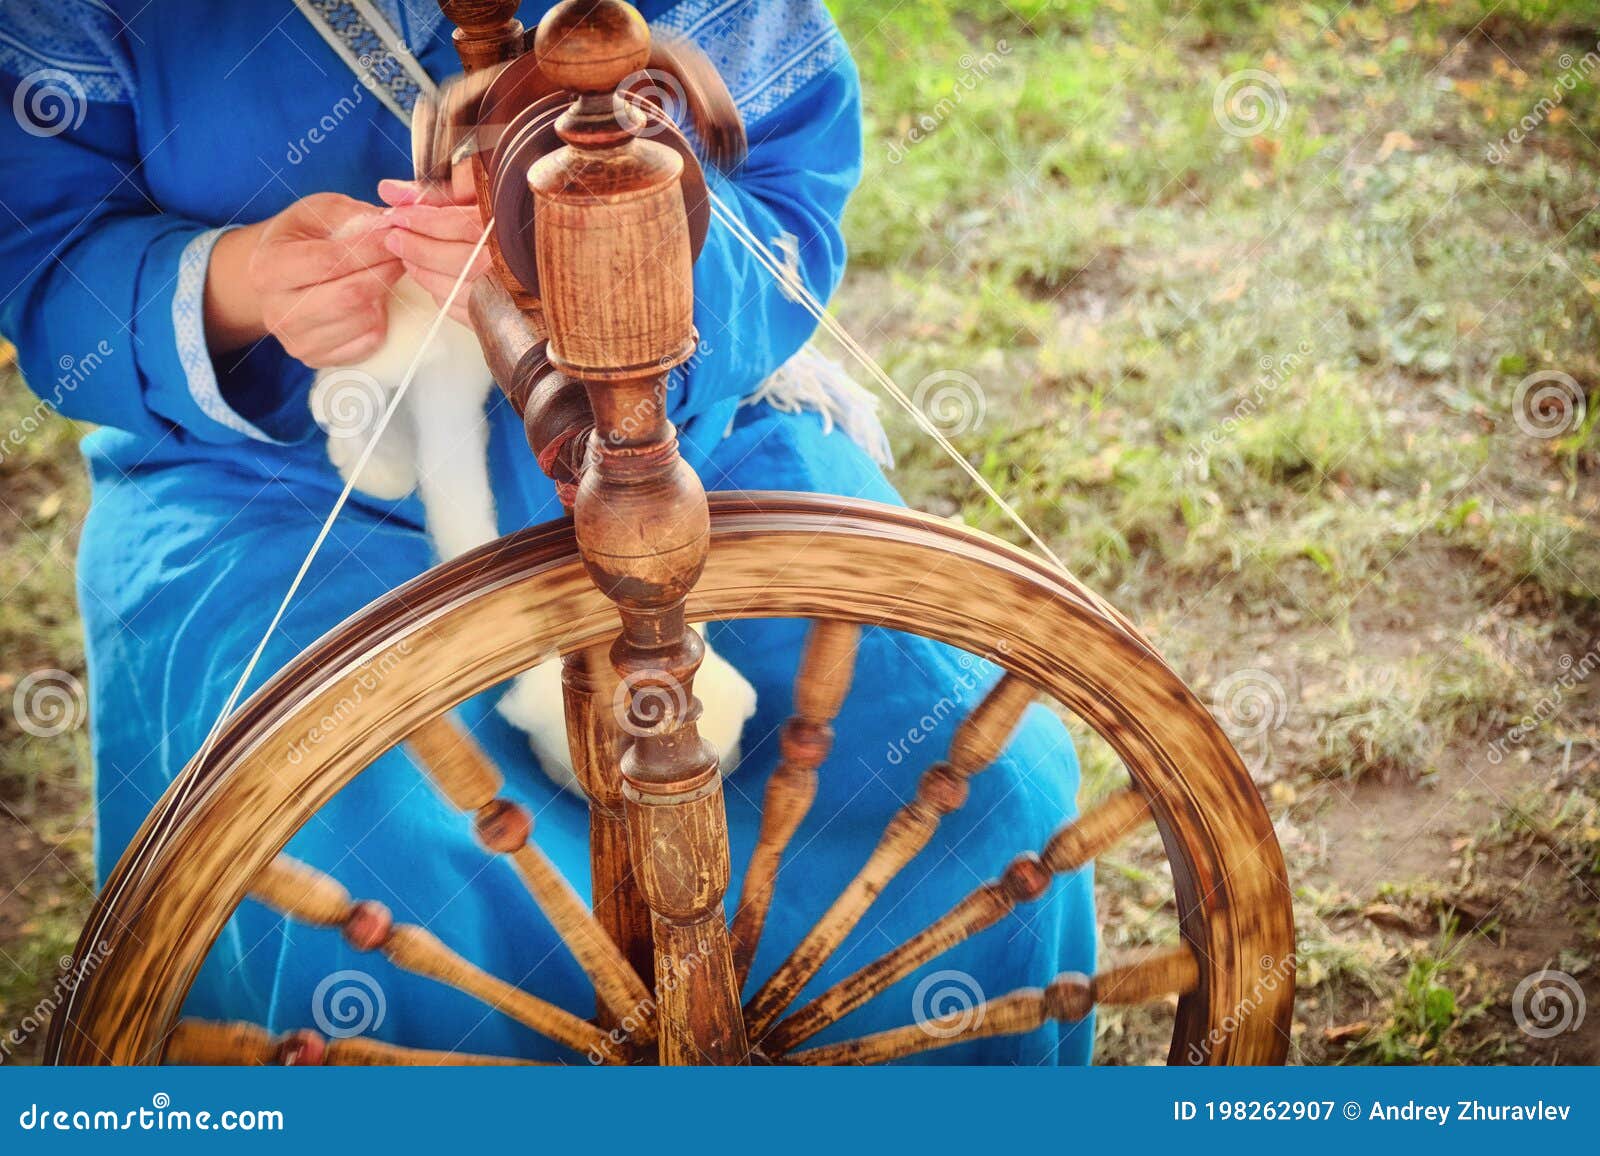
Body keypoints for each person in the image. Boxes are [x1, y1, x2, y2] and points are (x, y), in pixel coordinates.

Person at [0, 0, 1093, 1064]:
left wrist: (609, 261)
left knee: (977, 788)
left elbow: (788, 209)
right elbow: (46, 258)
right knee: (375, 853)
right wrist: (237, 284)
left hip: (681, 440)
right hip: (276, 479)